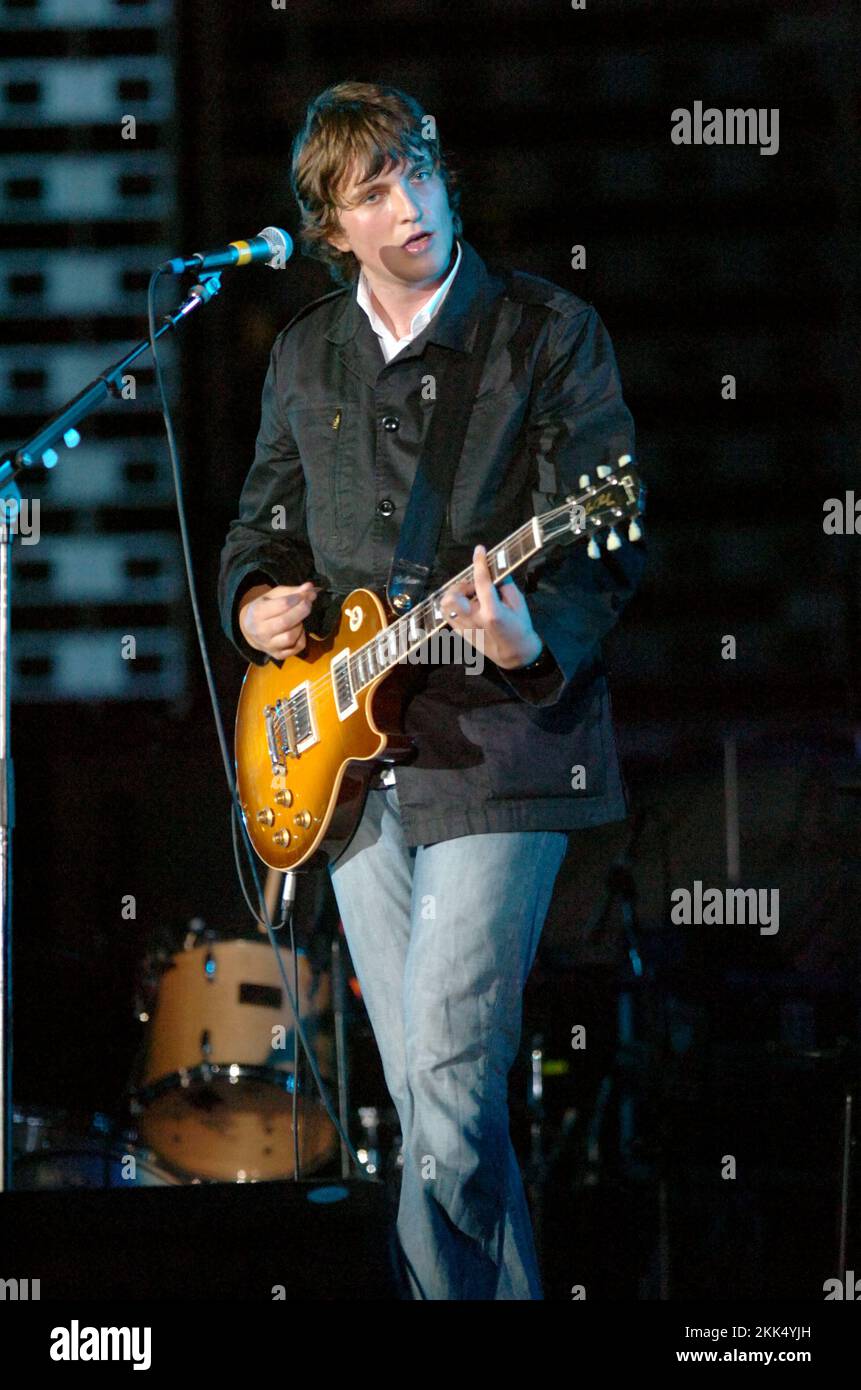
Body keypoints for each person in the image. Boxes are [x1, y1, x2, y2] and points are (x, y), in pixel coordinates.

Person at [218, 81, 645, 1299]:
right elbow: (263, 525)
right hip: (346, 767)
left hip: (503, 743)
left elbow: (618, 538)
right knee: (429, 1093)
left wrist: (528, 636)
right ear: (331, 224)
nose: (409, 204)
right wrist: (257, 599)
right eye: (374, 191)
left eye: (418, 172)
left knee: (452, 1070)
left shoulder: (546, 332)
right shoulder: (306, 353)